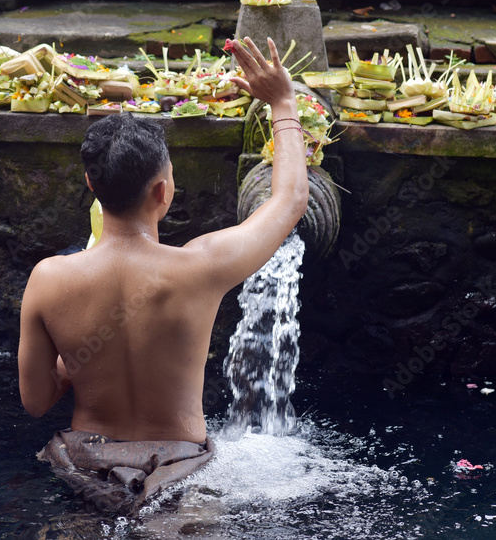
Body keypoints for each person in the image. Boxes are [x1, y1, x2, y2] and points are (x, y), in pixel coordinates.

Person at [18, 37, 309, 513]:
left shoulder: (49, 279)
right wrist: (283, 103)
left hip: (85, 470)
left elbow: (36, 400)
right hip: (179, 473)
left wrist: (84, 352)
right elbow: (291, 200)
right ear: (162, 189)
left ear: (91, 184)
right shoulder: (202, 266)